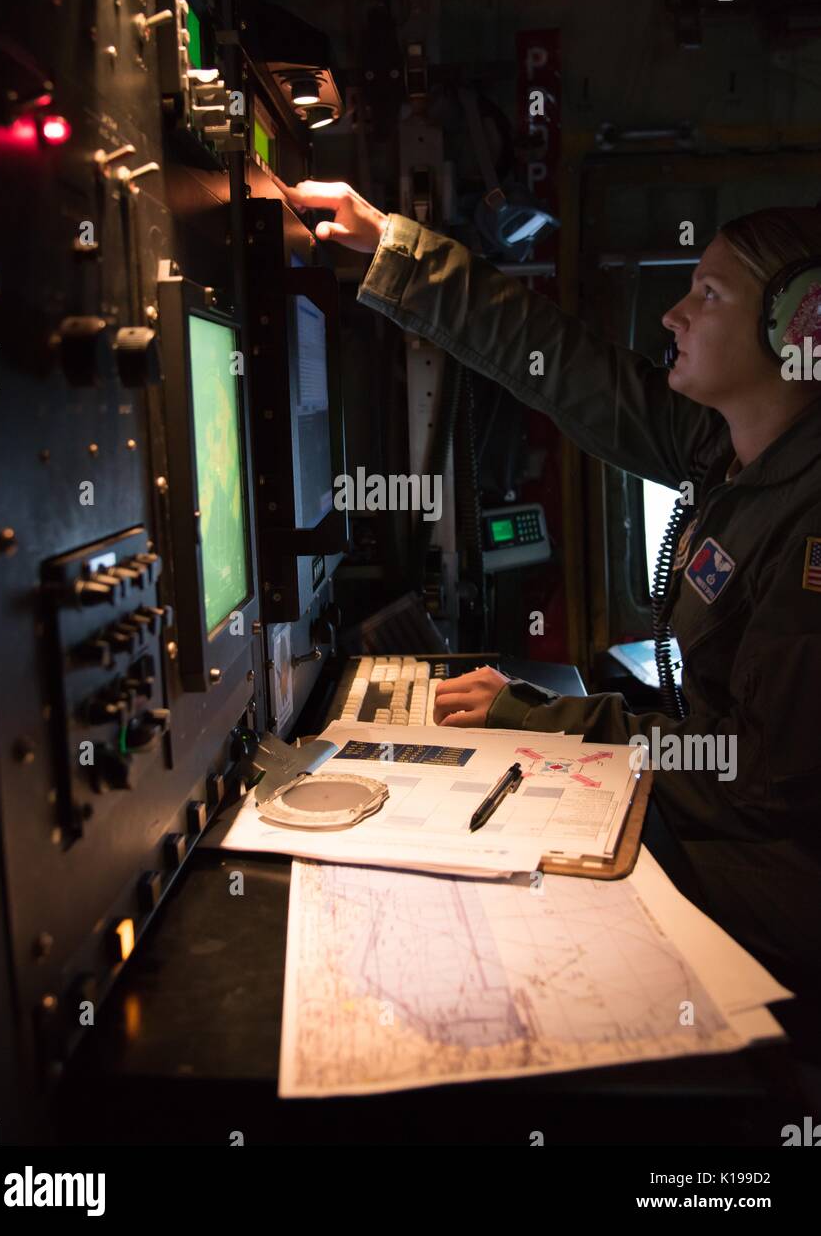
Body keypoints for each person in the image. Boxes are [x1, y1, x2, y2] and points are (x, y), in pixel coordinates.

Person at [285, 178, 821, 997]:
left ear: (799, 327)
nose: (674, 315)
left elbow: (753, 778)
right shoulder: (726, 447)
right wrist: (396, 247)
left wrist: (542, 720)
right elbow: (567, 367)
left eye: (707, 295)